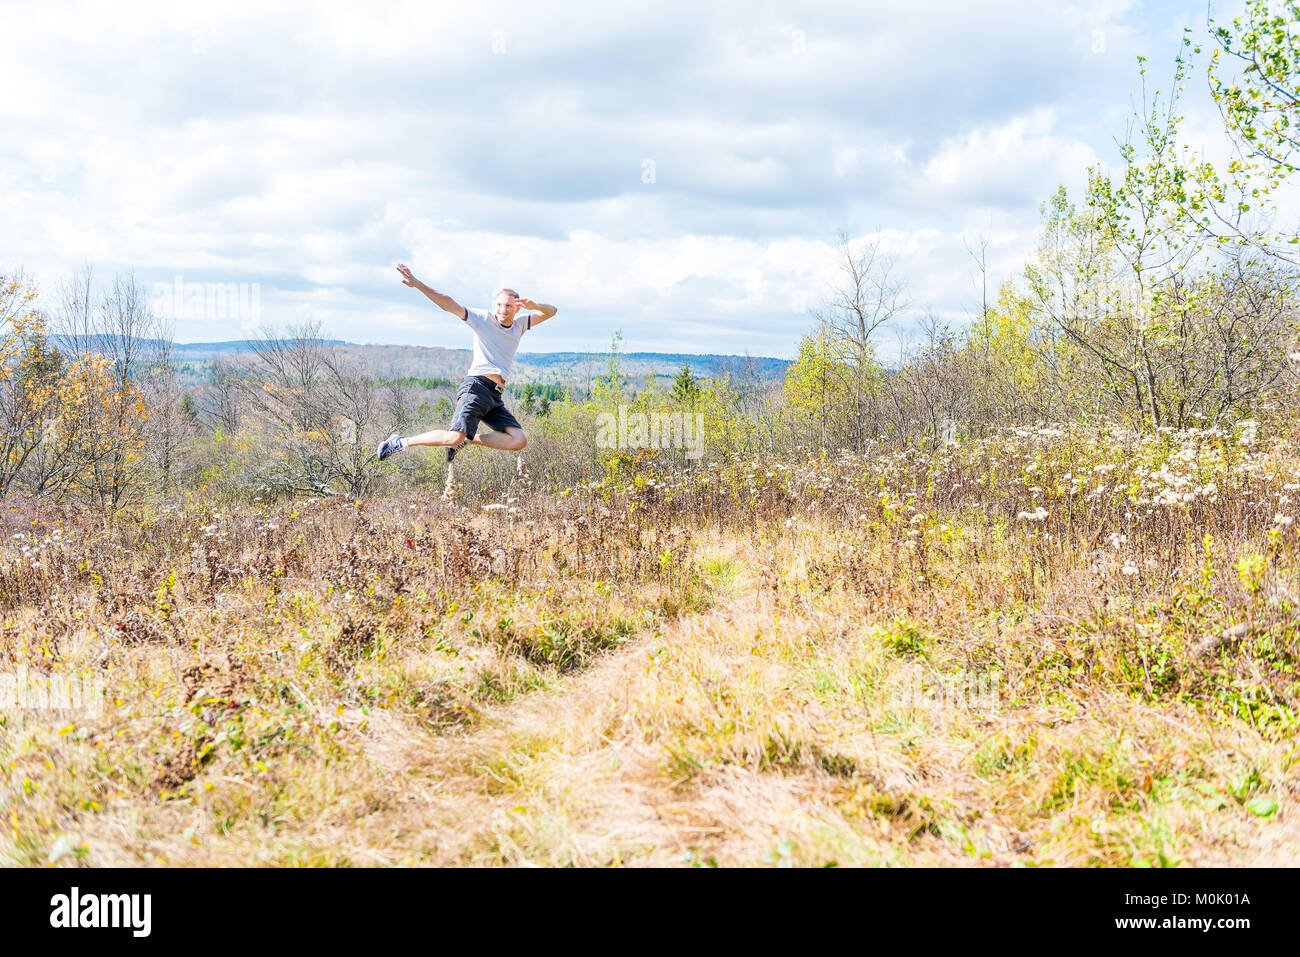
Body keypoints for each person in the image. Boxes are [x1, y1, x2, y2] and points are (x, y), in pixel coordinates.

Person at [376, 263, 557, 466]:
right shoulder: (483, 319)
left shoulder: (520, 325)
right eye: (498, 305)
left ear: (516, 307)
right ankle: (399, 442)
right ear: (493, 305)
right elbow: (449, 304)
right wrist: (419, 284)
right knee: (454, 437)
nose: (502, 310)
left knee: (518, 440)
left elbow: (552, 311)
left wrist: (535, 306)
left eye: (508, 306)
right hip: (476, 387)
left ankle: (468, 440)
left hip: (494, 396)